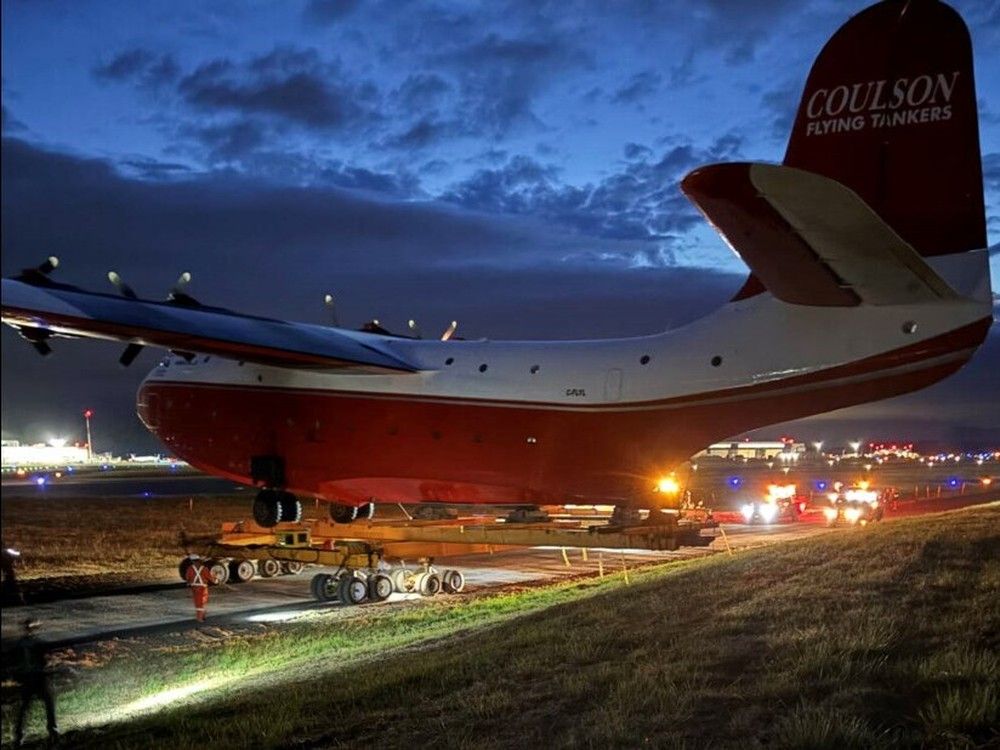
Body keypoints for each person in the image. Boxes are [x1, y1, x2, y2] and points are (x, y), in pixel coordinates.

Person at [13, 619, 58, 748]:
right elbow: (44, 661)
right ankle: (53, 731)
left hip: (27, 678)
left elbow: (16, 661)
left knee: (25, 707)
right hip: (38, 677)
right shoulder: (37, 643)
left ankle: (19, 735)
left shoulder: (20, 643)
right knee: (49, 702)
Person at [185, 556, 211, 622]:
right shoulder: (204, 568)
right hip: (203, 587)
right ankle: (200, 618)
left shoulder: (190, 568)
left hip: (194, 587)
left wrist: (188, 584)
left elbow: (187, 578)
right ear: (199, 561)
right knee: (202, 602)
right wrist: (216, 581)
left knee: (198, 602)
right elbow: (209, 577)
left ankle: (202, 615)